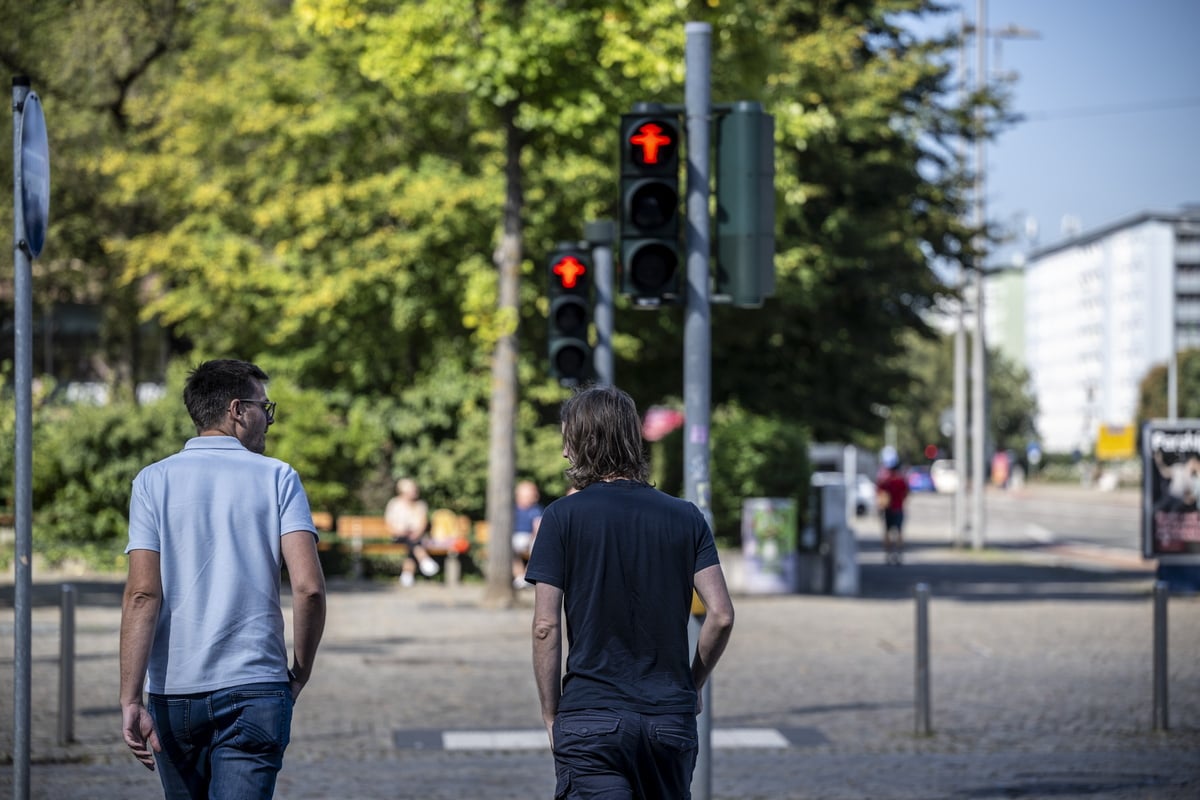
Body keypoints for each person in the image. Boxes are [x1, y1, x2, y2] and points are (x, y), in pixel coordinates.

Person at [119, 359, 327, 799]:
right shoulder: (278, 477)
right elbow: (308, 588)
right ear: (237, 410)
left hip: (174, 691)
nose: (267, 422)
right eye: (264, 409)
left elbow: (142, 594)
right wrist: (300, 672)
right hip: (255, 686)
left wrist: (131, 698)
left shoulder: (152, 482)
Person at [526, 385, 735, 799]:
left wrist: (551, 713)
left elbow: (546, 626)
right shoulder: (685, 517)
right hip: (668, 720)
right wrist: (691, 684)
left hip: (590, 719)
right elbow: (722, 614)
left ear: (586, 441)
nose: (566, 453)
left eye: (568, 439)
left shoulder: (561, 517)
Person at [384, 477, 439, 586]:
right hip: (399, 536)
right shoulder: (394, 504)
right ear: (403, 492)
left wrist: (417, 532)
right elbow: (389, 524)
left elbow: (423, 523)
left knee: (413, 542)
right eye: (412, 491)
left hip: (416, 536)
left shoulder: (420, 504)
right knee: (413, 542)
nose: (414, 493)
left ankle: (407, 575)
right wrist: (400, 532)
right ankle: (423, 559)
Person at [876, 459, 910, 565]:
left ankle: (888, 555)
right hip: (899, 508)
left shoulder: (887, 481)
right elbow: (906, 493)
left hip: (888, 509)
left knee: (887, 532)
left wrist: (881, 506)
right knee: (899, 532)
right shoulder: (901, 481)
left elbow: (880, 492)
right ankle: (899, 554)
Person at [511, 479, 543, 589]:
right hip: (514, 537)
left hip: (530, 537)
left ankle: (526, 576)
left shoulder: (536, 510)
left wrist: (530, 539)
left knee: (537, 545)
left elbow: (537, 527)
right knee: (507, 546)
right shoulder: (512, 509)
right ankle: (520, 576)